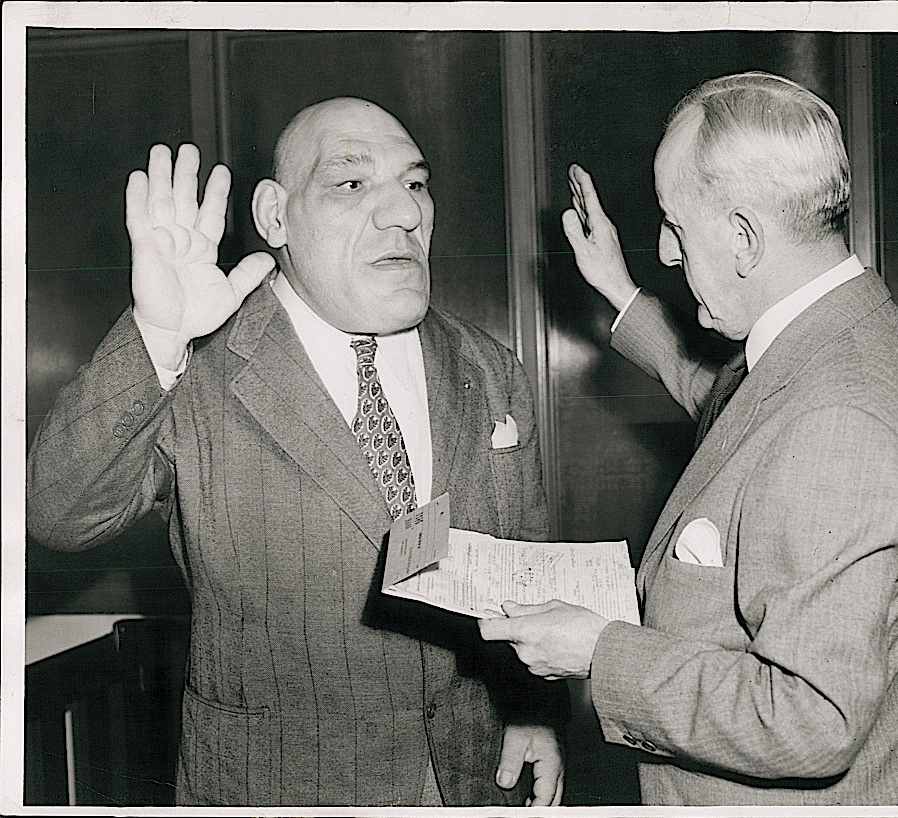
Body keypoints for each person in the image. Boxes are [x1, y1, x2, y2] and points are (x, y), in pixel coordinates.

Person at [26, 97, 565, 807]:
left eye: (415, 183)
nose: (404, 212)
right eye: (351, 182)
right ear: (275, 216)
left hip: (474, 778)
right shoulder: (198, 367)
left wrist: (531, 707)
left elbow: (524, 558)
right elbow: (58, 515)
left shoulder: (489, 367)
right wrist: (158, 335)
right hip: (280, 786)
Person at [480, 71, 898, 806]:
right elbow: (732, 408)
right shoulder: (839, 338)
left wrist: (599, 653)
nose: (667, 253)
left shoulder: (840, 421)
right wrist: (618, 290)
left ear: (742, 236)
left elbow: (811, 720)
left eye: (674, 226)